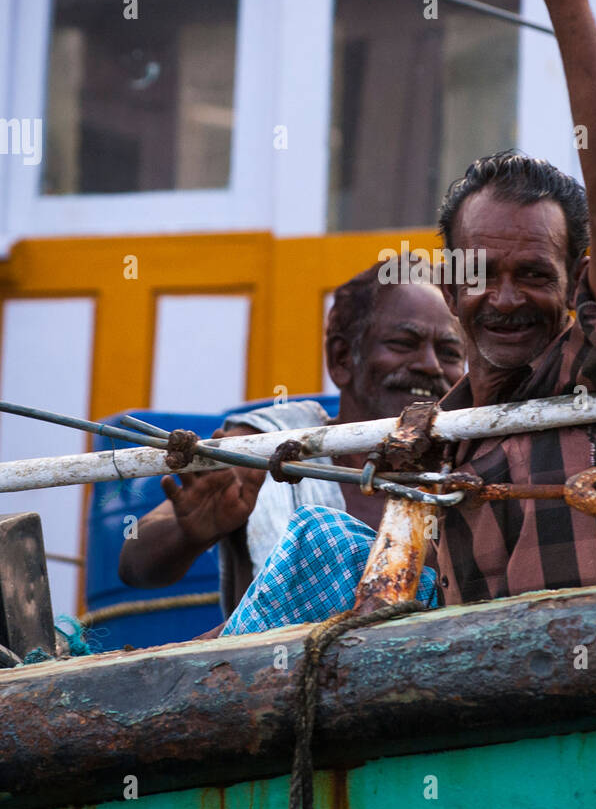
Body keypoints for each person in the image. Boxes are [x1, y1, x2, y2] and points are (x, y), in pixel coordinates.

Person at [219, 0, 596, 633]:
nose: (504, 299)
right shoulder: (435, 436)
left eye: (533, 273)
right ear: (453, 280)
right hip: (485, 719)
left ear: (575, 283)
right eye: (483, 273)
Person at [118, 260, 466, 623]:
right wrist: (189, 531)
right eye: (404, 343)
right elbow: (134, 565)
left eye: (449, 352)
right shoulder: (267, 441)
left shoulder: (470, 462)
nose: (431, 365)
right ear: (341, 358)